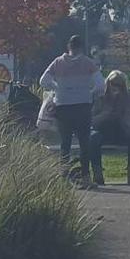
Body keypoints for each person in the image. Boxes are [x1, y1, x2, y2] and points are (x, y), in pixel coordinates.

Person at [39, 35, 103, 183]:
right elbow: (101, 85)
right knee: (84, 142)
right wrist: (90, 93)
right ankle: (86, 176)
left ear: (69, 47)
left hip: (63, 107)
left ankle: (64, 176)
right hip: (82, 107)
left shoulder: (58, 62)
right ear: (81, 47)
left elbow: (43, 81)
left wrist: (57, 88)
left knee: (65, 142)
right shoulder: (88, 63)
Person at [90, 69, 130, 187]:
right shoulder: (101, 98)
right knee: (93, 138)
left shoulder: (129, 97)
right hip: (104, 131)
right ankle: (98, 175)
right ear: (108, 83)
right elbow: (92, 121)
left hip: (121, 130)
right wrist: (104, 114)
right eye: (113, 84)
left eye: (119, 85)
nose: (116, 87)